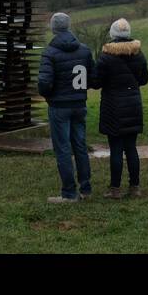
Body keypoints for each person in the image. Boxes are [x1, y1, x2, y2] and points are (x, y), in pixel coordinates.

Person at [37, 12, 95, 204]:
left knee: (62, 149)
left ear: (54, 28)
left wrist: (49, 97)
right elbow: (93, 79)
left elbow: (44, 84)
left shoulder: (50, 53)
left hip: (59, 107)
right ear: (69, 26)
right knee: (80, 146)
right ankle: (86, 188)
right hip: (79, 104)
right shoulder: (85, 50)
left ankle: (69, 193)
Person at [94, 18, 148, 199]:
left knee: (116, 148)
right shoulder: (138, 54)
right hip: (133, 104)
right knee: (131, 148)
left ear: (112, 34)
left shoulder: (106, 56)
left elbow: (96, 82)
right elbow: (144, 79)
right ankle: (135, 187)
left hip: (113, 106)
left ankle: (115, 189)